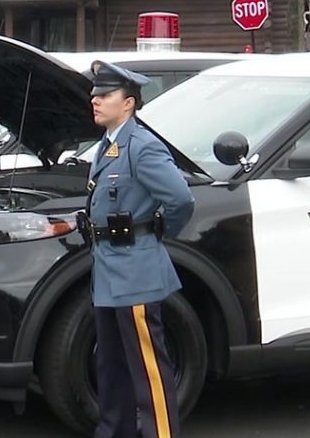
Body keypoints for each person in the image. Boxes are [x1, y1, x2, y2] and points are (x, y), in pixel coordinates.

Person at [84, 60, 194, 438]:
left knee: (148, 369)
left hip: (135, 270)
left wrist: (157, 233)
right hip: (108, 270)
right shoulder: (107, 146)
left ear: (128, 103)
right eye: (95, 93)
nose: (95, 100)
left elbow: (181, 199)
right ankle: (113, 431)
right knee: (111, 365)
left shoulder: (142, 146)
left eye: (105, 94)